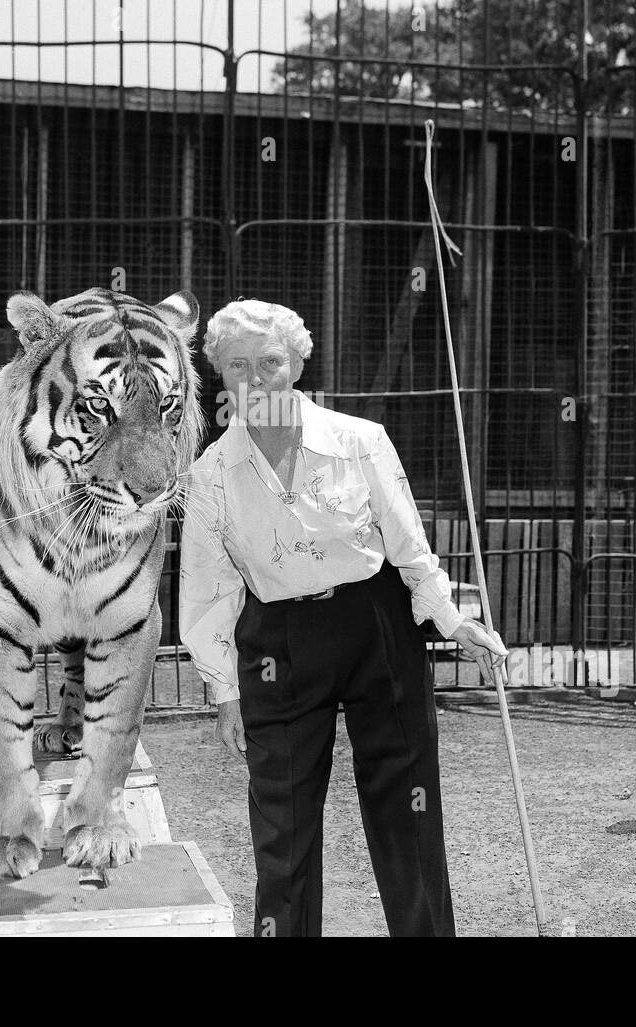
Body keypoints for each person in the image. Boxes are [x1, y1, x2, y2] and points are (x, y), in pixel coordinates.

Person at [178, 298, 508, 938]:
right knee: (284, 823)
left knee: (405, 806)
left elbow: (408, 544)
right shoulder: (211, 474)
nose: (256, 379)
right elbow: (209, 592)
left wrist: (449, 617)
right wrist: (225, 691)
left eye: (270, 361)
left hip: (375, 624)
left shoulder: (360, 441)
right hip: (277, 641)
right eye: (237, 365)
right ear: (219, 375)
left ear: (296, 365)